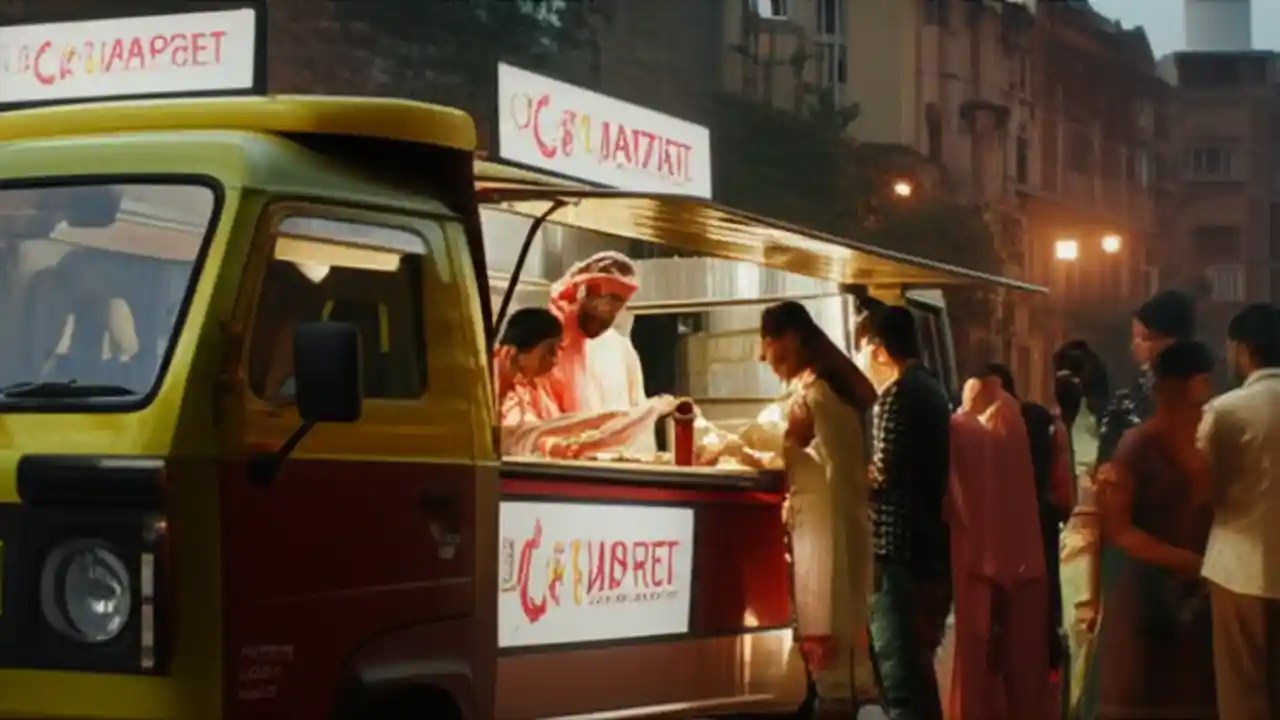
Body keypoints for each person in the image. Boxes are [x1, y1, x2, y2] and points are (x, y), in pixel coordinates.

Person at [758, 301, 877, 716]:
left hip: (831, 532)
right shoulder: (814, 387)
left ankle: (838, 690)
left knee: (832, 618)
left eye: (768, 344)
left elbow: (840, 475)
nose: (763, 356)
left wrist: (784, 444)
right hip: (820, 527)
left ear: (789, 340)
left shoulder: (821, 392)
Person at [1080, 290, 1194, 718]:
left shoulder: (1131, 407)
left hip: (1136, 556)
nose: (1134, 348)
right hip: (1188, 556)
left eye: (1140, 338)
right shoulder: (1208, 401)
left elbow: (1107, 483)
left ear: (1159, 340)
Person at [1095, 340, 1217, 719]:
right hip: (1147, 604)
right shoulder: (1140, 444)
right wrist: (1189, 561)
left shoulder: (1214, 439)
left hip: (1197, 610)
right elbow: (1119, 529)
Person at [863, 305, 952, 720]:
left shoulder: (898, 395)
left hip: (897, 547)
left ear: (878, 349)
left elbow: (884, 472)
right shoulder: (934, 390)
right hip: (930, 544)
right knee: (917, 668)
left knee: (900, 674)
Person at [947, 375, 1052, 719]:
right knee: (1023, 667)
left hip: (976, 561)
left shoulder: (962, 430)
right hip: (1028, 564)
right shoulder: (1027, 428)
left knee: (980, 666)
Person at [1197, 303, 1280, 720]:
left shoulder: (1226, 410)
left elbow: (1200, 486)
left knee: (1242, 696)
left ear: (1243, 349)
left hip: (1236, 569)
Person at [982, 364, 1074, 675]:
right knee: (1038, 606)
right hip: (1038, 524)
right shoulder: (1040, 421)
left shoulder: (977, 428)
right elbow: (1063, 487)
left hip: (1008, 527)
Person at [495, 306, 674, 459]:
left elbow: (539, 430)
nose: (555, 360)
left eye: (558, 351)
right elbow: (518, 436)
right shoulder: (490, 382)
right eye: (548, 352)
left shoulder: (522, 387)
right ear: (510, 353)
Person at [546, 251, 646, 416]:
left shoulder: (621, 350)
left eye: (612, 313)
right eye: (595, 313)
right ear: (582, 293)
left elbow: (637, 412)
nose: (601, 325)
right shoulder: (551, 348)